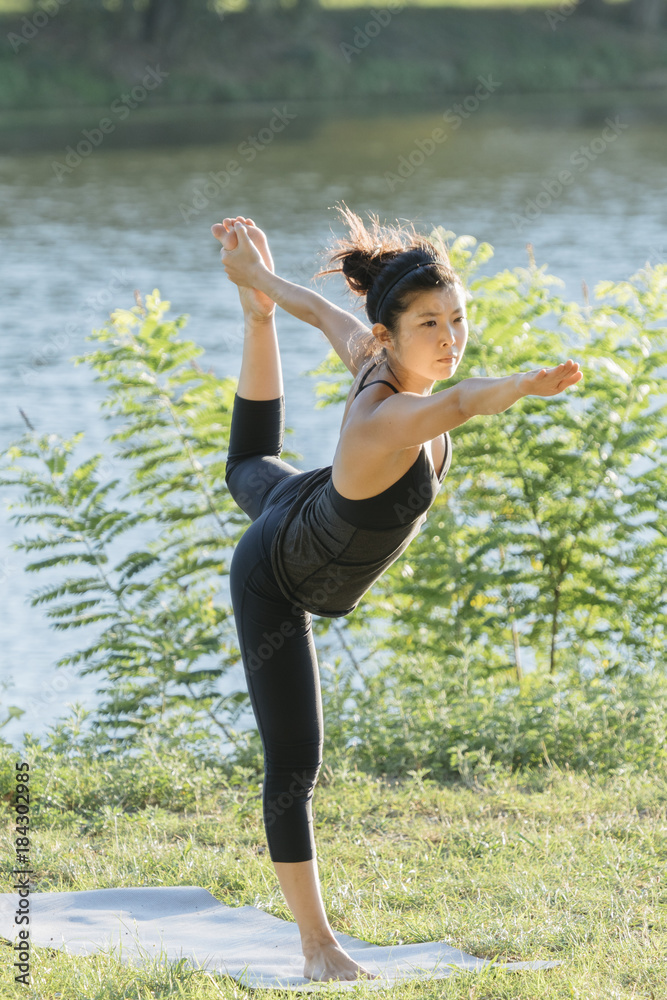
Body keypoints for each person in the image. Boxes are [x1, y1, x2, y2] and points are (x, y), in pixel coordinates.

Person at [211, 206, 582, 983]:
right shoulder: (388, 418)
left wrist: (259, 286)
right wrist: (518, 384)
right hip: (277, 573)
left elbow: (319, 309)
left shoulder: (369, 353)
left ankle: (251, 322)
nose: (449, 338)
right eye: (429, 325)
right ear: (388, 336)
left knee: (250, 465)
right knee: (293, 765)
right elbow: (452, 406)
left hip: (305, 507)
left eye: (457, 319)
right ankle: (317, 947)